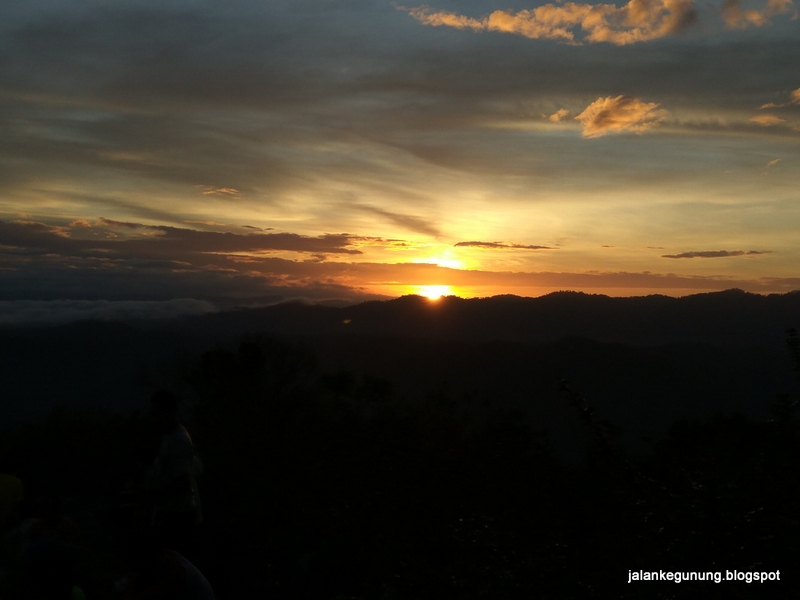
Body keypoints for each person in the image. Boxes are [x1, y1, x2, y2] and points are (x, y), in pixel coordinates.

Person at [145, 391, 202, 552]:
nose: (154, 419)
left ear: (170, 413)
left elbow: (182, 484)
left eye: (157, 414)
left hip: (176, 519)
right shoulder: (170, 438)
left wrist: (151, 494)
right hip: (171, 516)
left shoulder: (179, 442)